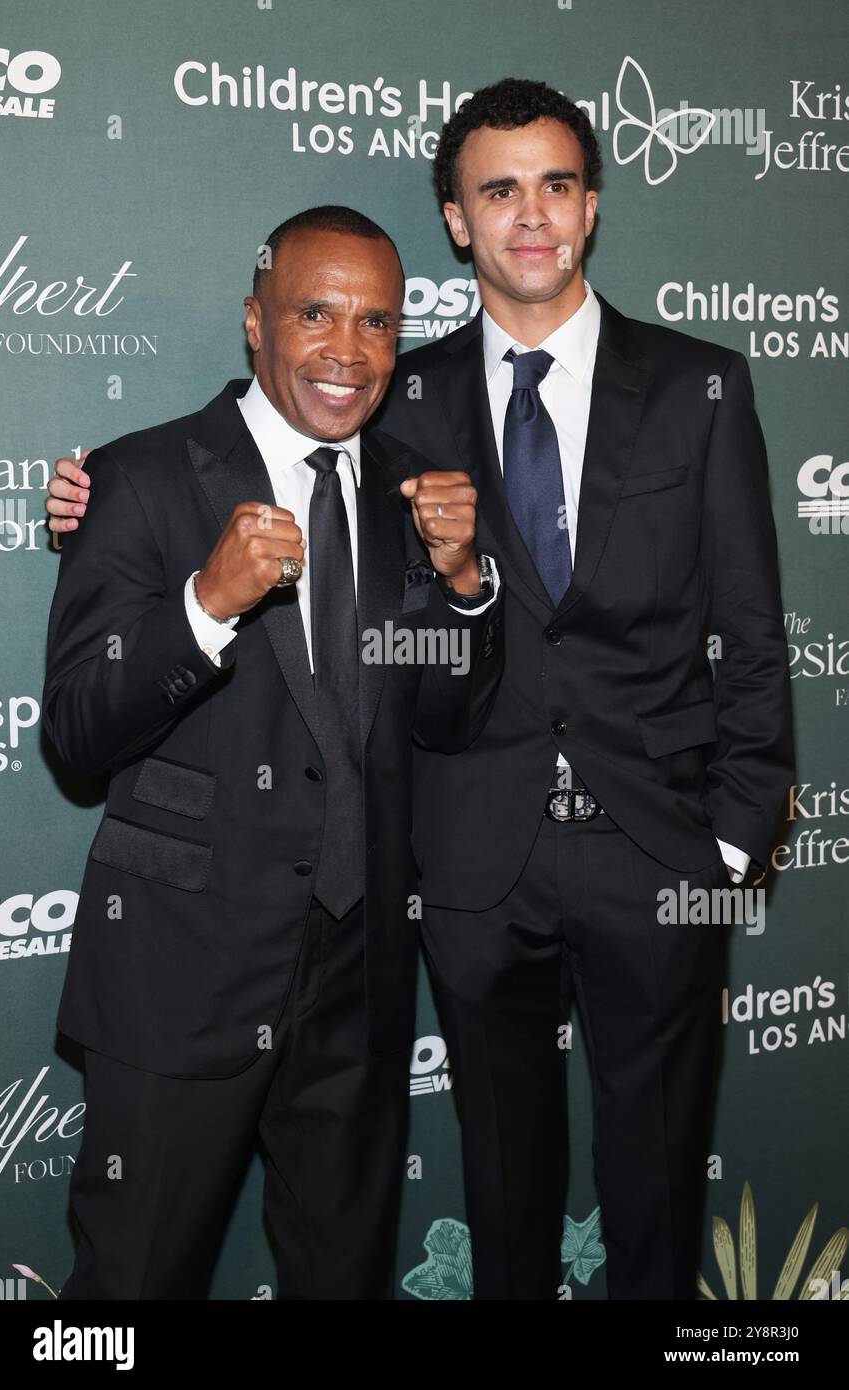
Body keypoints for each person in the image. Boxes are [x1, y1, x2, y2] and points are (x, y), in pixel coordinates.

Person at [48, 79, 795, 1302]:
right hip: (456, 876)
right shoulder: (408, 402)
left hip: (649, 858)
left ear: (592, 204)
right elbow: (139, 615)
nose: (531, 217)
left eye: (554, 184)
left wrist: (729, 844)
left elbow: (755, 632)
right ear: (459, 220)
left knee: (652, 1186)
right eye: (498, 189)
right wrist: (112, 524)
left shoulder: (697, 386)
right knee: (495, 1192)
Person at [42, 204, 503, 1301]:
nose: (347, 352)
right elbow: (74, 732)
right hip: (181, 967)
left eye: (378, 323)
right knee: (131, 1283)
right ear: (255, 323)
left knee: (340, 1274)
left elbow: (448, 720)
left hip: (360, 969)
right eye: (315, 314)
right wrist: (206, 605)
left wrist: (464, 587)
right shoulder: (141, 477)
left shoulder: (412, 492)